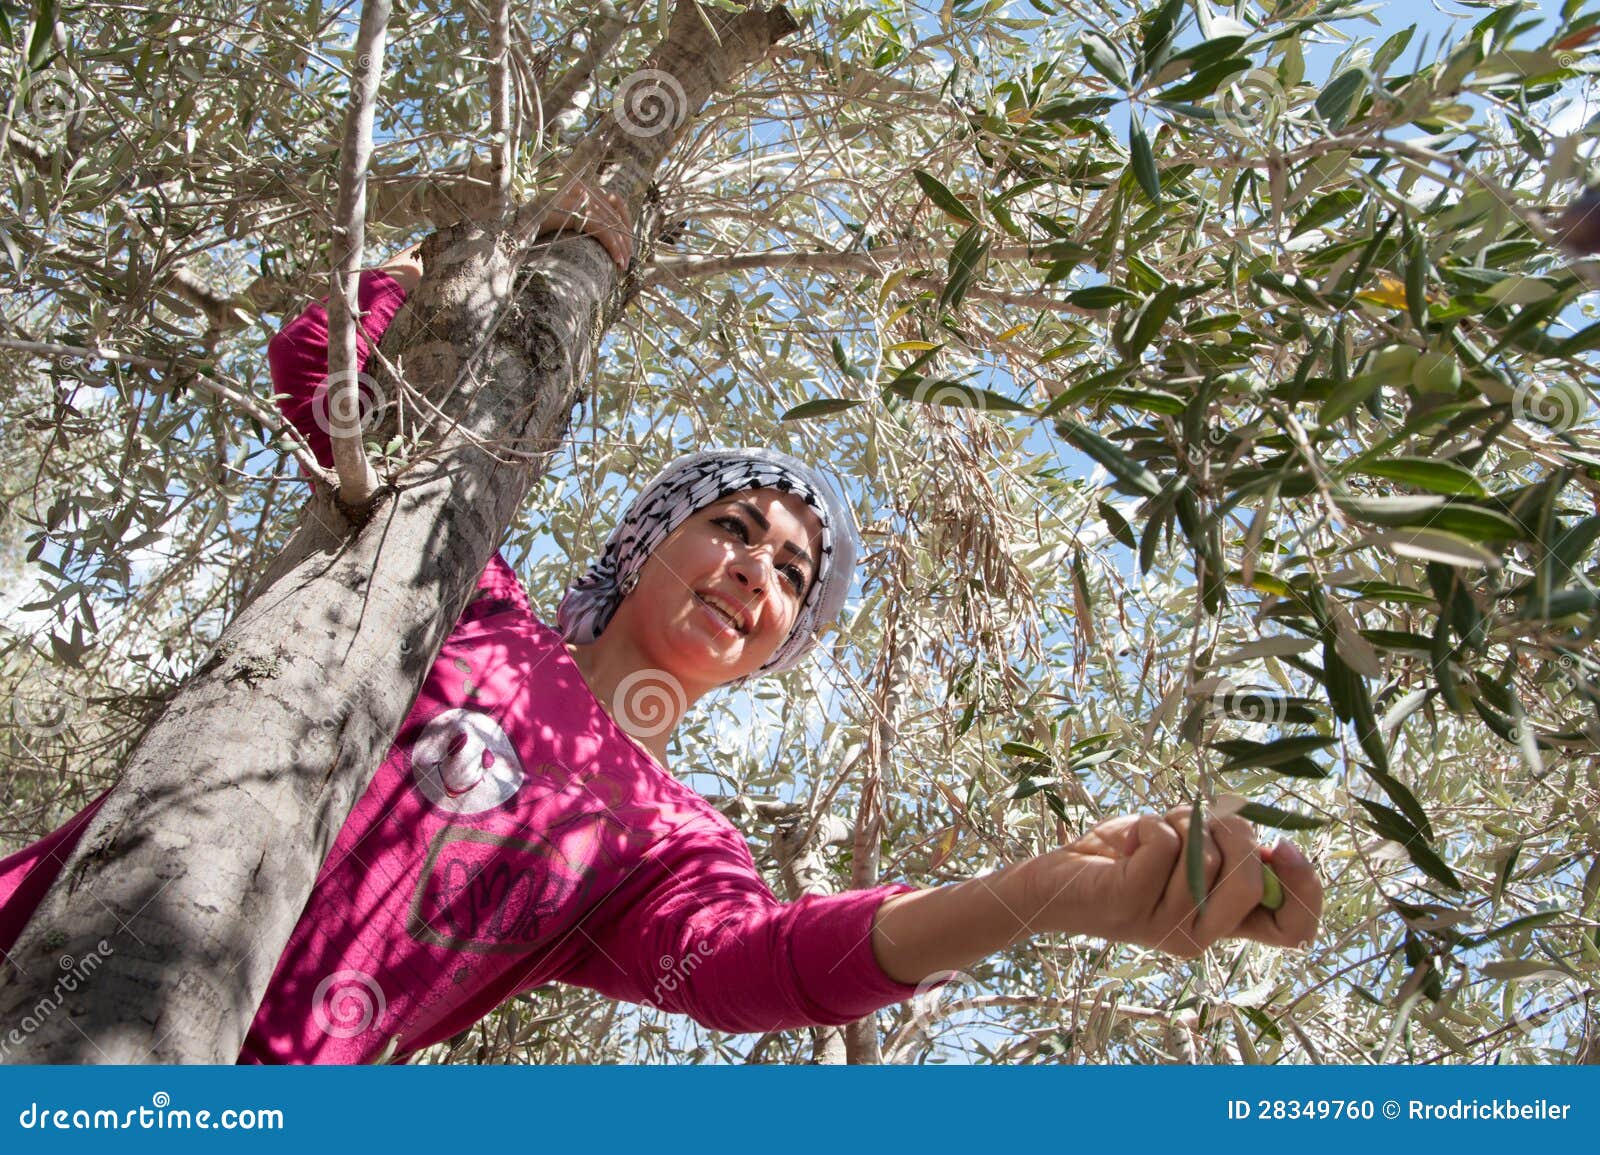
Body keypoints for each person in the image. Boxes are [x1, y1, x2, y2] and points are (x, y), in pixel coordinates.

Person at [0, 184, 1323, 1063]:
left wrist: (1038, 896)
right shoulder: (473, 604)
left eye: (793, 575)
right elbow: (325, 370)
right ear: (644, 549)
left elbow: (760, 970)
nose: (757, 572)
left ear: (782, 641)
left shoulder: (667, 841)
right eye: (734, 527)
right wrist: (431, 269)